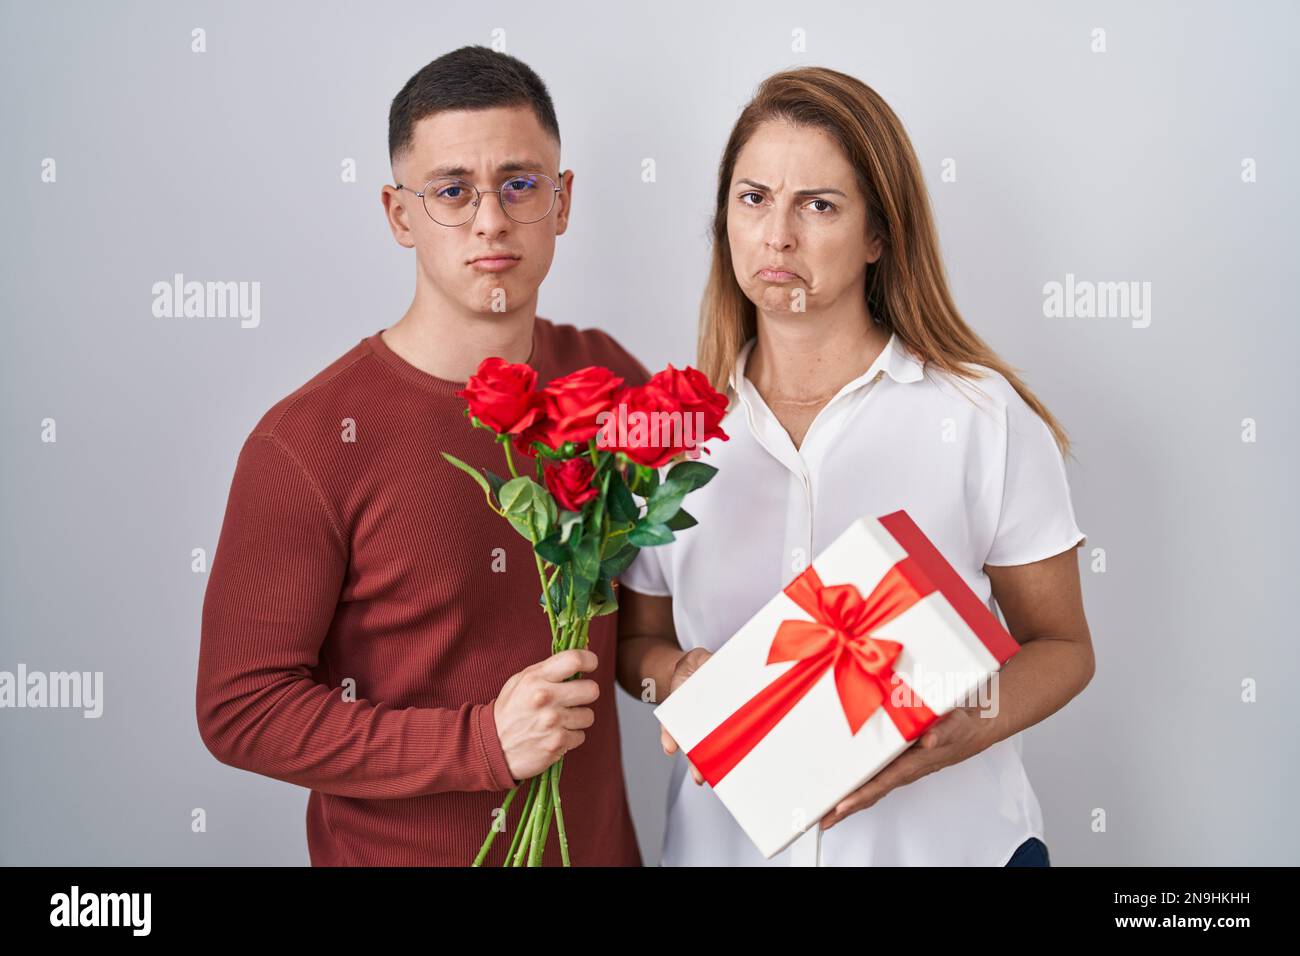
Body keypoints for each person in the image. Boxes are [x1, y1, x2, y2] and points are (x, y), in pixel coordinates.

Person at [615, 66, 1094, 867]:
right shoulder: (669, 430)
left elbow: (1063, 646)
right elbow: (639, 641)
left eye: (820, 205)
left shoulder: (980, 417)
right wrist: (678, 675)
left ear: (879, 235)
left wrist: (960, 726)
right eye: (754, 197)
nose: (778, 236)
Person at [197, 45, 647, 866]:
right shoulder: (305, 443)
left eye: (520, 184)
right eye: (451, 192)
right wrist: (478, 744)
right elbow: (241, 709)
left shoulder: (605, 378)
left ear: (563, 199)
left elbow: (662, 604)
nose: (490, 220)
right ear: (399, 215)